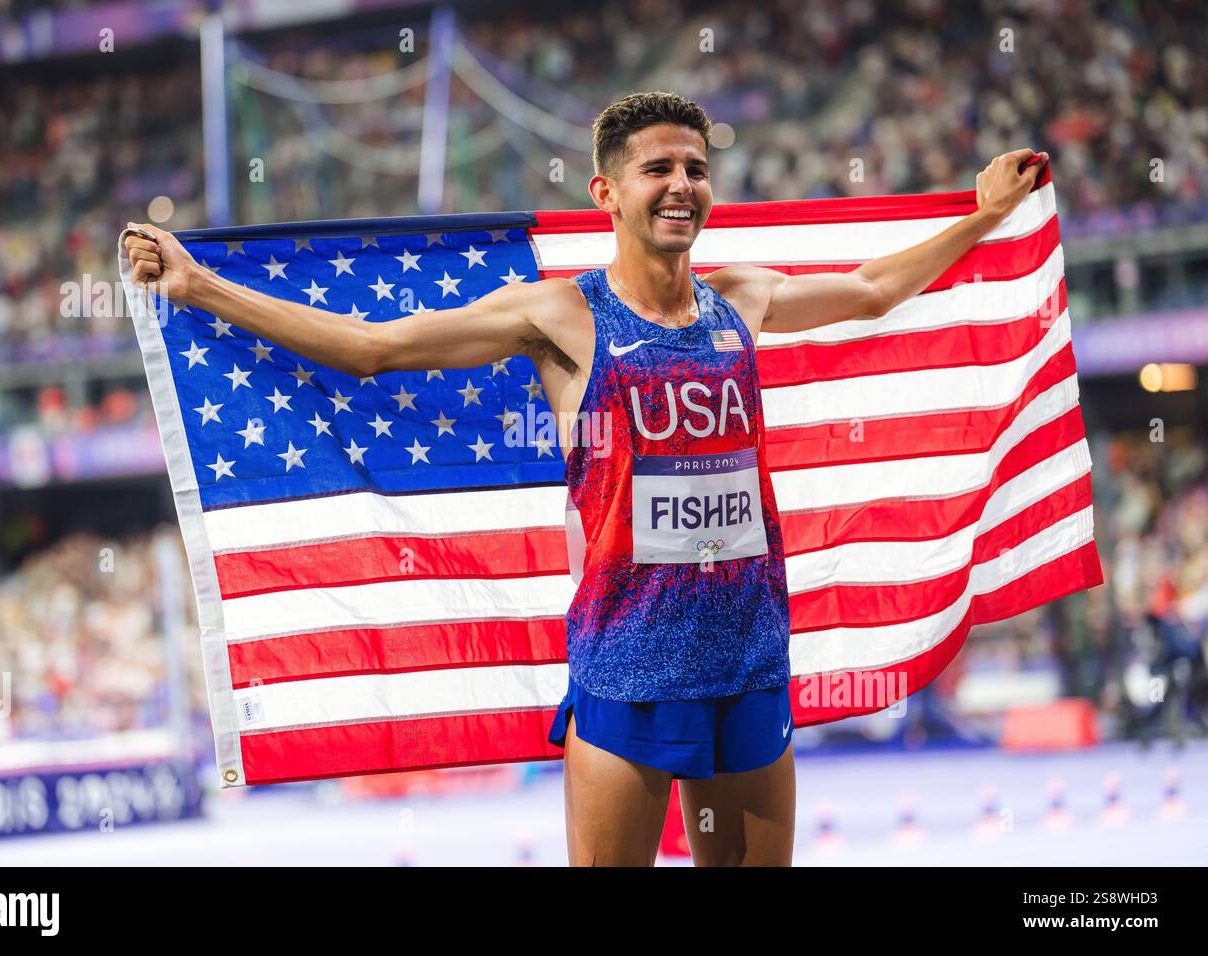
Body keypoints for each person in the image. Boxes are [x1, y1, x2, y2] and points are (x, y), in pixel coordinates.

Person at [125, 90, 1046, 866]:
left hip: (749, 661)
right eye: (659, 169)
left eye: (695, 168)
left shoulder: (744, 298)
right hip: (628, 669)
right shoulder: (561, 316)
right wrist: (203, 288)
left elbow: (877, 288)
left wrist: (986, 214)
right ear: (608, 192)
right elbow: (374, 349)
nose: (683, 184)